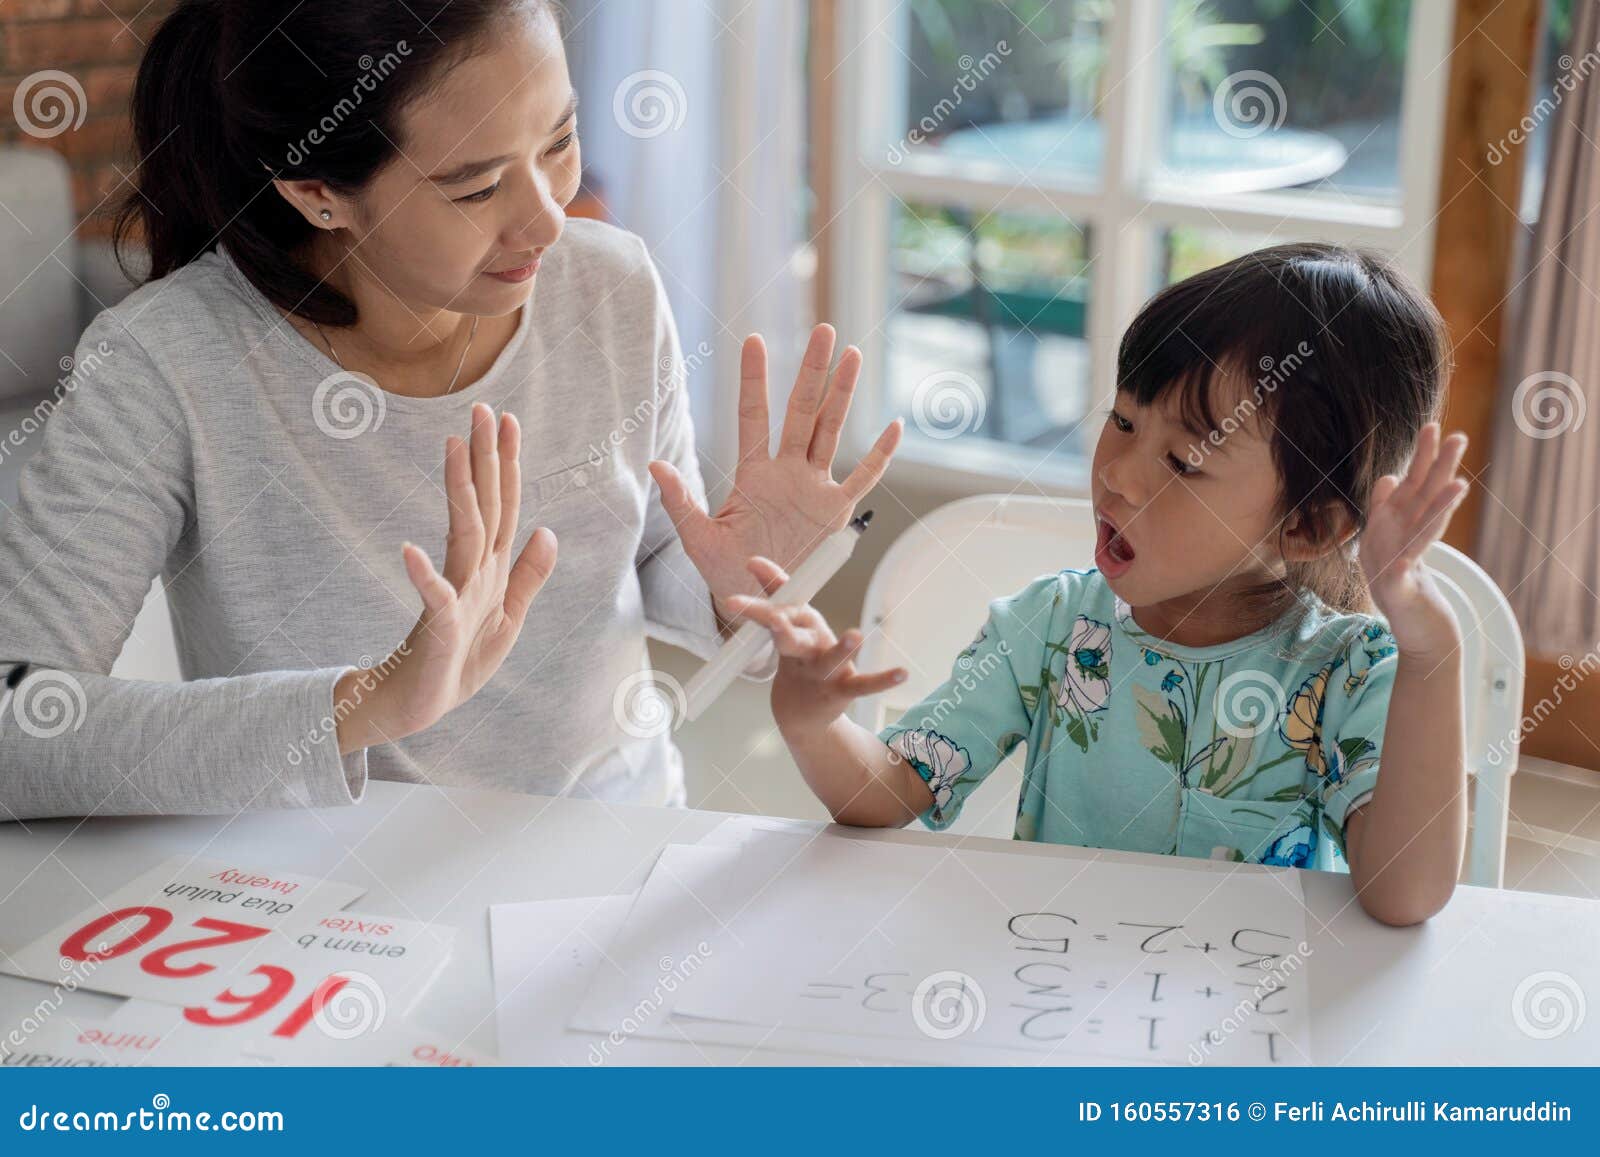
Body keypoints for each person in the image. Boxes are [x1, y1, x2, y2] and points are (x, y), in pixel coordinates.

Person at [0, 0, 900, 819]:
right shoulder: (165, 363)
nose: (548, 220)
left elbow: (639, 554)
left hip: (613, 842)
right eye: (476, 188)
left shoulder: (608, 286)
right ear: (318, 193)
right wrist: (366, 700)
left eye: (559, 141)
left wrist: (733, 584)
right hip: (317, 901)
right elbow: (15, 723)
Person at [730, 243, 1469, 927]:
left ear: (1305, 527)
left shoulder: (1350, 671)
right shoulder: (1053, 626)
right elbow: (884, 792)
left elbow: (1405, 894)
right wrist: (810, 720)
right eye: (1122, 419)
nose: (1117, 474)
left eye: (1182, 461)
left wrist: (1431, 654)